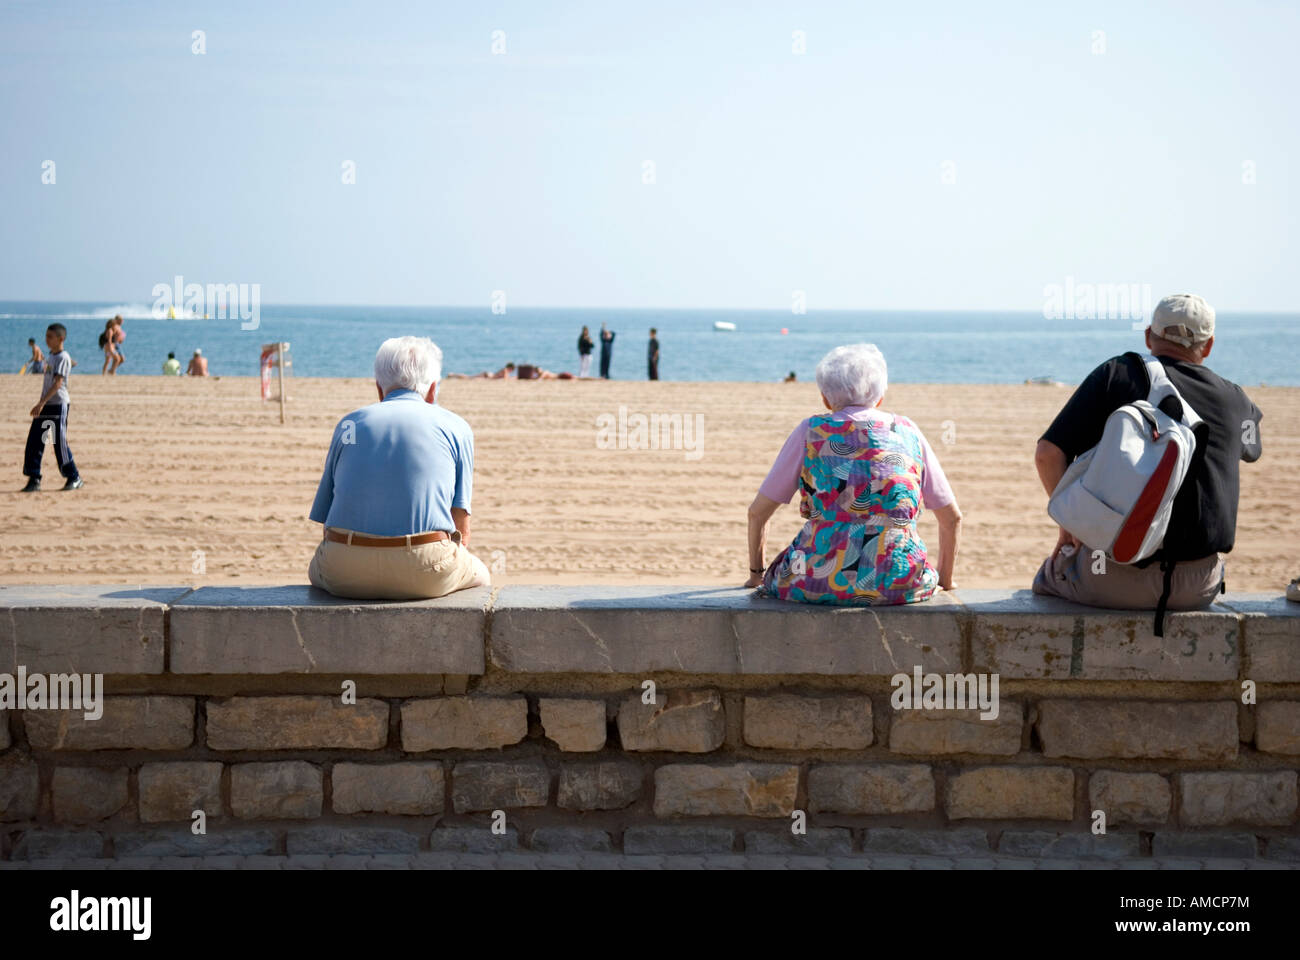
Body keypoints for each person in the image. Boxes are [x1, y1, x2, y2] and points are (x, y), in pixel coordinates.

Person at [1032, 294, 1263, 612]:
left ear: (1148, 336)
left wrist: (1070, 526)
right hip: (1199, 586)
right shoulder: (1236, 399)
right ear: (1208, 346)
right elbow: (1251, 451)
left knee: (1048, 578)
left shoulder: (1117, 374)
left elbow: (1047, 453)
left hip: (1109, 577)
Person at [746, 343, 961, 604]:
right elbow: (951, 518)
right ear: (880, 397)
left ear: (825, 398)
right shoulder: (908, 432)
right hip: (900, 582)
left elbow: (758, 513)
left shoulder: (811, 430)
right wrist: (945, 581)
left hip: (813, 579)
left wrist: (756, 575)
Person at [308, 336, 489, 599]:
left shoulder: (349, 424)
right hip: (425, 568)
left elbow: (326, 520)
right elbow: (461, 522)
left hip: (342, 568)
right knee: (482, 576)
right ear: (433, 388)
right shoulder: (456, 427)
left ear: (380, 389)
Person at [21, 323, 83, 492]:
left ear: (60, 339)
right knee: (35, 440)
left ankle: (74, 477)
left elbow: (57, 384)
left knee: (58, 442)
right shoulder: (53, 356)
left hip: (58, 405)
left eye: (50, 337)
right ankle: (34, 478)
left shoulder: (62, 356)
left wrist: (41, 403)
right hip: (46, 404)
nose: (46, 339)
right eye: (46, 336)